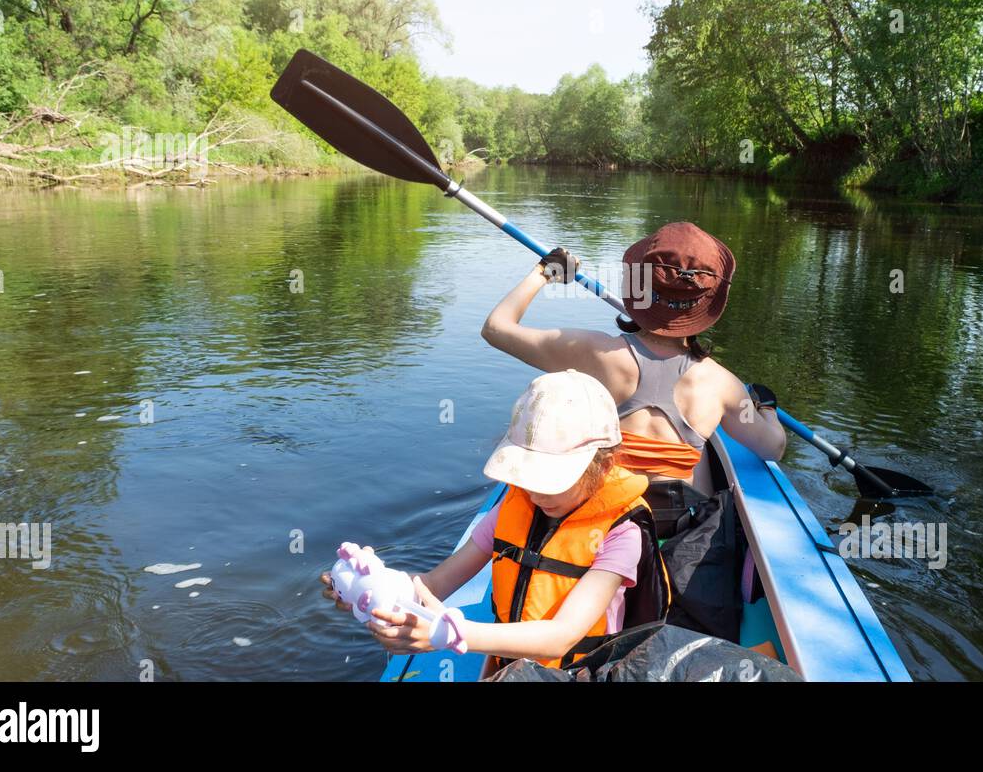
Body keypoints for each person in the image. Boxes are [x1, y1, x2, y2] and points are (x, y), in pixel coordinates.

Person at [480, 222, 787, 641]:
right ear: (709, 304)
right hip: (681, 532)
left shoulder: (596, 354)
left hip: (604, 522)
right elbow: (773, 448)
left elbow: (497, 328)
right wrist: (765, 408)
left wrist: (544, 274)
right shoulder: (720, 385)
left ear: (637, 289)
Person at [320, 370, 669, 669]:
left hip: (577, 671)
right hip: (507, 666)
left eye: (552, 481)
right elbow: (435, 583)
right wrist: (375, 587)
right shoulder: (515, 507)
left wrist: (449, 633)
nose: (535, 494)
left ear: (604, 465)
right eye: (527, 479)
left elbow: (561, 637)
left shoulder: (623, 532)